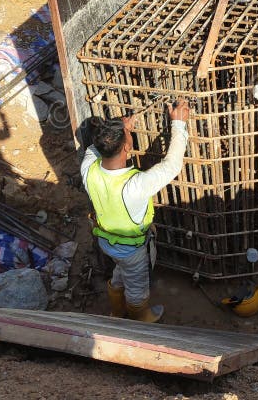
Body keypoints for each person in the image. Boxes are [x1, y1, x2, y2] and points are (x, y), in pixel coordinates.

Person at [80, 99, 191, 323]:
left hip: (107, 242)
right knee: (137, 288)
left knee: (120, 274)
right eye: (128, 135)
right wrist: (178, 124)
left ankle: (116, 311)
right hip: (131, 250)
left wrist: (119, 129)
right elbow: (172, 166)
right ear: (126, 147)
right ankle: (140, 318)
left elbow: (94, 147)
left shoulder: (88, 167)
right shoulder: (134, 185)